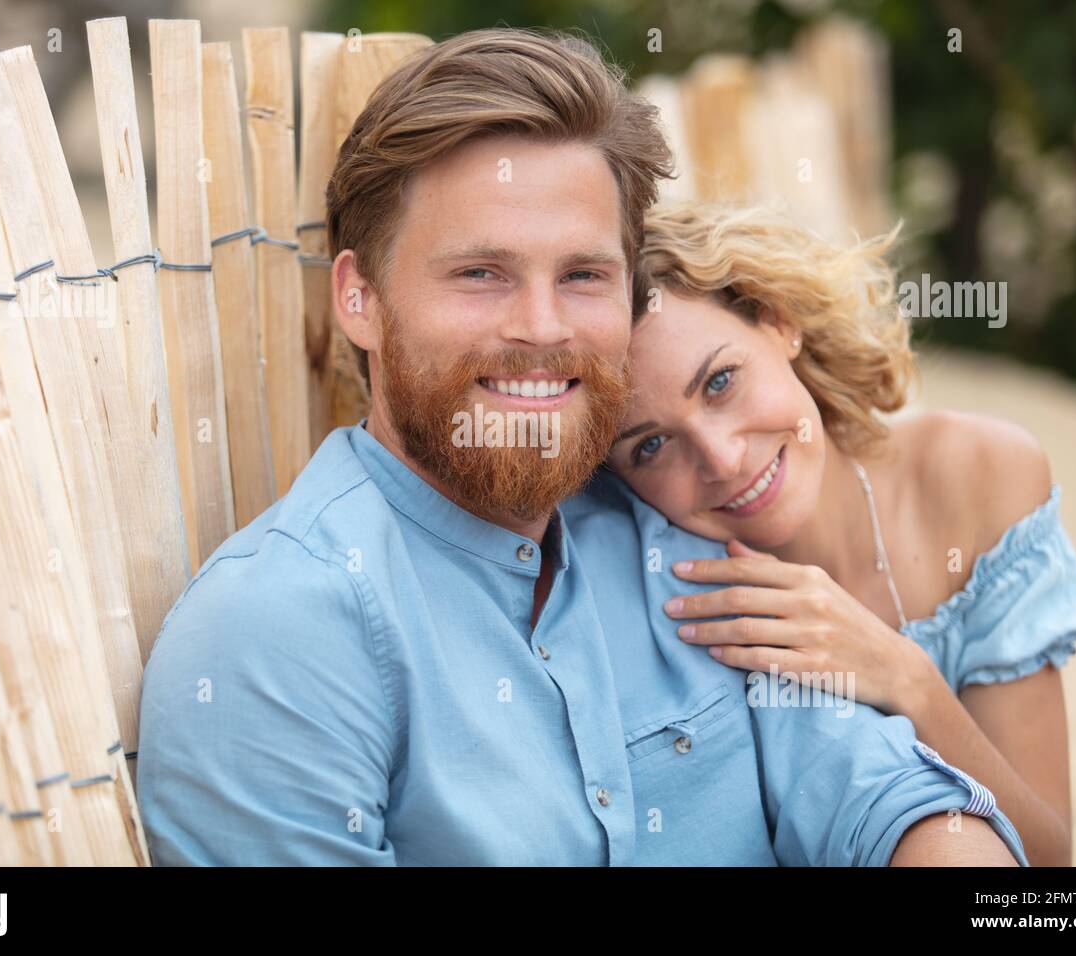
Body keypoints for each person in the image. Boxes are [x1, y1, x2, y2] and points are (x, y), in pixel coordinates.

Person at [136, 27, 1026, 866]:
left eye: (583, 275)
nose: (541, 326)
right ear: (359, 299)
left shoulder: (676, 544)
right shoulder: (276, 636)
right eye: (480, 274)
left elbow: (895, 801)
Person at [593, 201, 1076, 866]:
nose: (720, 458)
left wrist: (909, 680)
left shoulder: (979, 477)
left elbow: (1049, 859)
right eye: (652, 444)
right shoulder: (668, 587)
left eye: (720, 382)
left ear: (779, 323)